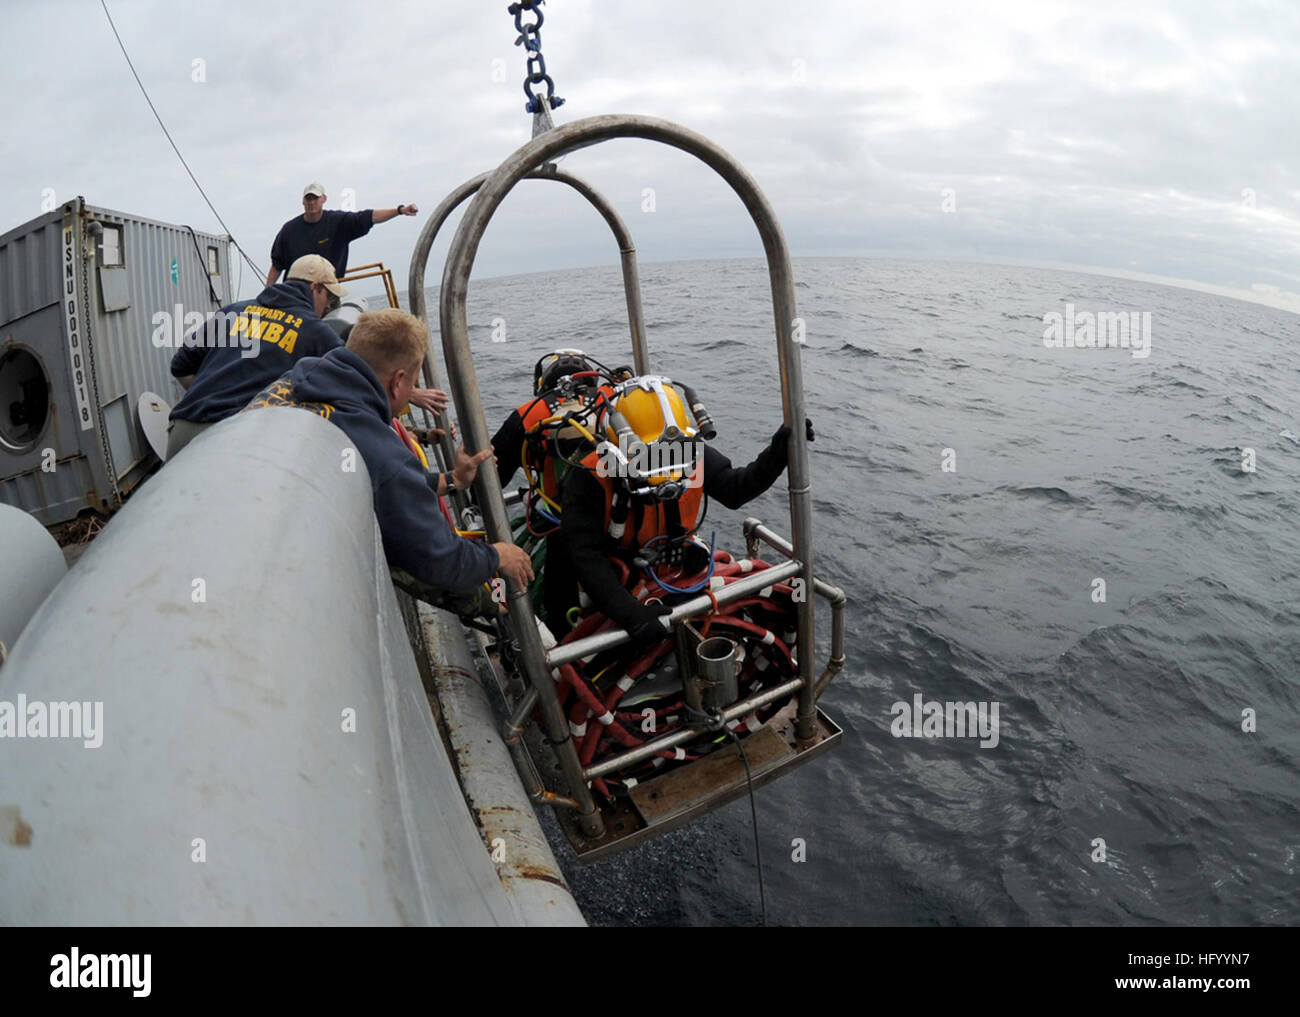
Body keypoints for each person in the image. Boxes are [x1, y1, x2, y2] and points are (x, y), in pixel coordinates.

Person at [246, 308, 533, 610]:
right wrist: (498, 555)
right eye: (413, 383)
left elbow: (380, 478)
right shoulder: (374, 444)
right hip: (272, 586)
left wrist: (453, 480)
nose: (411, 393)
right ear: (398, 381)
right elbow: (438, 558)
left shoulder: (294, 382)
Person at [558, 374, 813, 643]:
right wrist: (629, 613)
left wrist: (777, 453)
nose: (664, 466)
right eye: (647, 456)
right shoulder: (592, 475)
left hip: (678, 571)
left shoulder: (690, 452)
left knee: (784, 604)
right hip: (618, 581)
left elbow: (736, 489)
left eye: (669, 453)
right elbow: (585, 554)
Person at [165, 254, 346, 459]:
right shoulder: (316, 331)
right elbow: (349, 387)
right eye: (328, 299)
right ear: (315, 287)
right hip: (234, 440)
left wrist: (211, 397)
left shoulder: (233, 311)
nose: (327, 308)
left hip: (182, 429)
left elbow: (180, 366)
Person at [264, 182, 419, 287]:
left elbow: (368, 217)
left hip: (326, 293)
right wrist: (267, 293)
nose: (312, 202)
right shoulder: (289, 230)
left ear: (323, 199)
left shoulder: (338, 222)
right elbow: (277, 265)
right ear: (303, 201)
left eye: (315, 198)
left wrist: (400, 211)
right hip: (295, 295)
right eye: (308, 198)